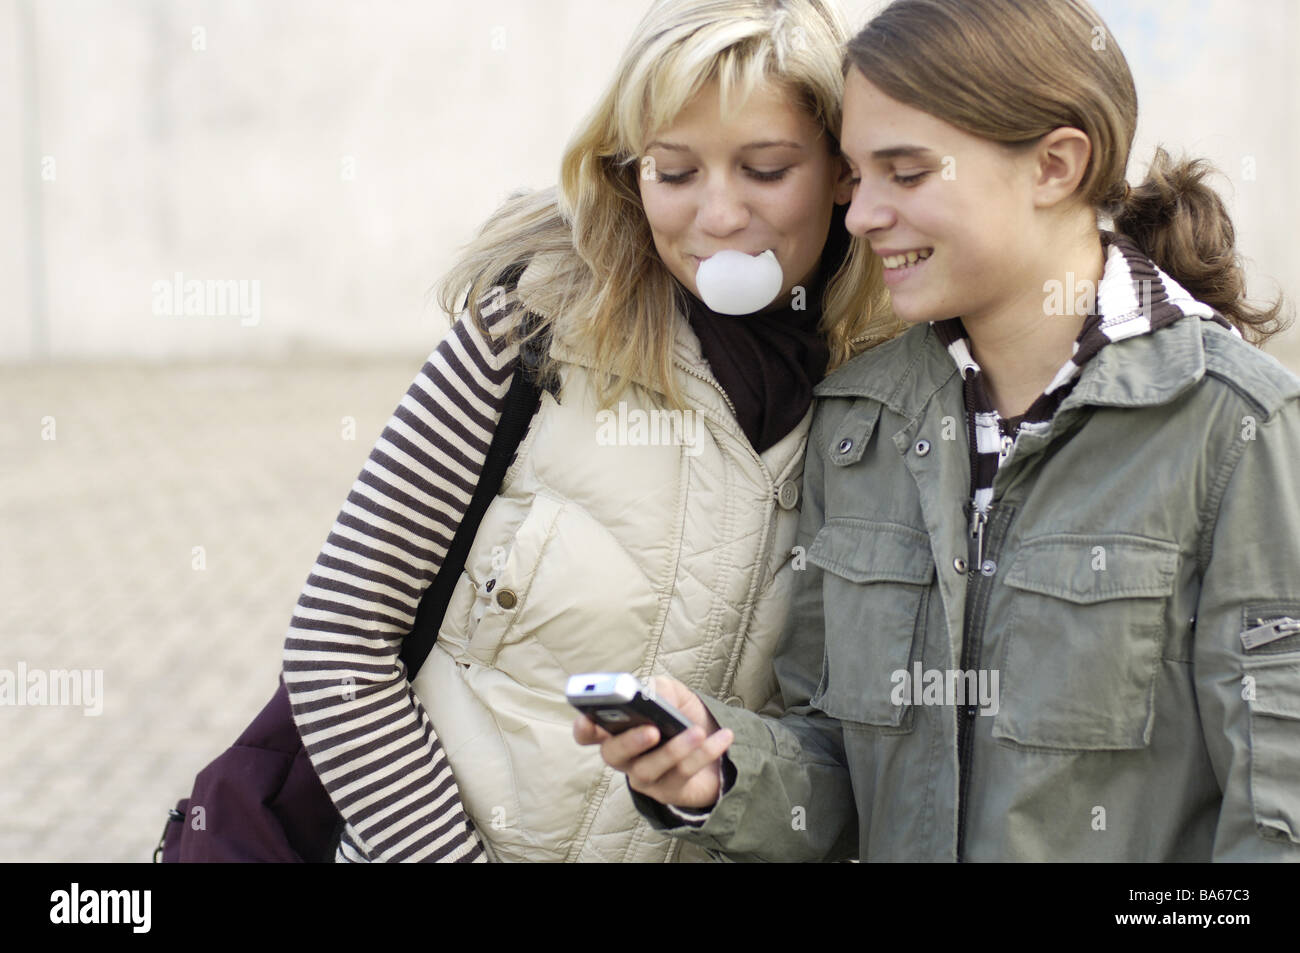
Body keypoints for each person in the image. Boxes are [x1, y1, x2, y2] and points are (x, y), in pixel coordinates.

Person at [579, 0, 1300, 862]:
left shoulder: (1240, 426)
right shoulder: (857, 423)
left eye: (907, 173)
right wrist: (720, 773)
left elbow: (1276, 820)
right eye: (855, 174)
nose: (859, 215)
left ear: (1055, 166)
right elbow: (840, 768)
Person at [281, 0, 896, 862]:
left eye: (765, 169)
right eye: (674, 172)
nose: (717, 216)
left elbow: (837, 751)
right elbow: (336, 643)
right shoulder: (527, 330)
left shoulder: (890, 402)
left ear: (841, 170)